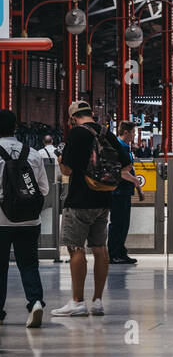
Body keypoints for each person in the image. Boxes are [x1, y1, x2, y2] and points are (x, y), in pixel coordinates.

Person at [53, 101, 135, 317]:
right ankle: (98, 301)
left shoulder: (76, 134)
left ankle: (77, 302)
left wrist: (60, 157)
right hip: (103, 199)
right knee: (100, 248)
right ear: (91, 113)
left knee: (75, 248)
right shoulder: (106, 133)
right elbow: (126, 165)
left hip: (79, 200)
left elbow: (67, 170)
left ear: (72, 118)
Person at [0, 109, 49, 327]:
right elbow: (44, 190)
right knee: (29, 264)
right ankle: (35, 302)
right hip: (30, 220)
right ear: (15, 128)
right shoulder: (33, 153)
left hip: (0, 221)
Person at [108, 121, 145, 265]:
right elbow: (121, 172)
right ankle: (114, 254)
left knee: (123, 224)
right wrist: (136, 183)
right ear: (126, 133)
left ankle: (121, 252)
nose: (134, 135)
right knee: (117, 224)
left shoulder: (125, 147)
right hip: (118, 191)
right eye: (133, 133)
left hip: (124, 191)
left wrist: (137, 187)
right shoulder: (119, 147)